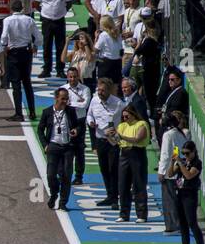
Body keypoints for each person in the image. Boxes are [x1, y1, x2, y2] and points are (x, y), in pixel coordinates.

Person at [39, 88, 79, 210]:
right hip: (53, 146)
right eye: (62, 99)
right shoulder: (47, 112)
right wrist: (45, 144)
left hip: (67, 147)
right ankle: (54, 193)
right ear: (56, 98)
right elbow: (40, 129)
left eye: (66, 99)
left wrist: (76, 130)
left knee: (66, 175)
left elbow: (78, 125)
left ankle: (63, 202)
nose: (65, 101)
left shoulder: (71, 111)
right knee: (51, 175)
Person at [88, 77, 125, 208]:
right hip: (100, 140)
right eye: (98, 90)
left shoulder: (119, 103)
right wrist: (90, 122)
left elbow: (126, 120)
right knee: (103, 168)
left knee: (113, 168)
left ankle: (115, 198)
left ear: (109, 90)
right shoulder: (94, 101)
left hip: (113, 141)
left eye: (103, 90)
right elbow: (89, 115)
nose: (100, 92)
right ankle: (109, 195)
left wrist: (118, 131)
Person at [0, 0, 40, 121]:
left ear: (11, 9)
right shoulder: (29, 20)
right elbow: (39, 36)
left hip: (14, 53)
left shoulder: (7, 20)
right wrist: (35, 46)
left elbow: (4, 36)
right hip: (26, 52)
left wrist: (4, 45)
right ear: (22, 8)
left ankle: (19, 113)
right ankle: (32, 111)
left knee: (16, 84)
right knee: (27, 82)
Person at [169, 141, 205, 244]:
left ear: (194, 151)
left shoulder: (197, 163)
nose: (185, 156)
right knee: (183, 223)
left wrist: (180, 163)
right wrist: (172, 162)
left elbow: (189, 175)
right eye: (183, 153)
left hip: (190, 195)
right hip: (180, 193)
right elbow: (170, 174)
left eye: (187, 153)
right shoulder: (183, 161)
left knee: (192, 222)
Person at [32, 0, 72, 77]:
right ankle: (47, 69)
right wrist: (43, 12)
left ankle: (60, 70)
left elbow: (69, 3)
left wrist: (62, 11)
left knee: (60, 45)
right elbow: (35, 3)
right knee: (47, 45)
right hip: (47, 21)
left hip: (59, 20)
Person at [114, 105, 151, 223]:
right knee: (123, 185)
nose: (124, 118)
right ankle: (124, 214)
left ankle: (141, 214)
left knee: (139, 184)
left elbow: (137, 139)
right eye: (123, 116)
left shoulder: (141, 124)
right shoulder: (121, 126)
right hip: (124, 154)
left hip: (137, 154)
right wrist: (110, 136)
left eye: (127, 116)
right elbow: (116, 142)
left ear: (133, 114)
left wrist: (122, 136)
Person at [158, 110, 188, 234]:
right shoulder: (180, 134)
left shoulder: (168, 134)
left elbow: (166, 154)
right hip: (179, 171)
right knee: (177, 199)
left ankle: (173, 226)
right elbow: (175, 151)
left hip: (170, 173)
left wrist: (161, 171)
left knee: (169, 200)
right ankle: (179, 224)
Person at [60, 67, 91, 184]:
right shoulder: (63, 89)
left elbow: (85, 104)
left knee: (79, 150)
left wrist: (70, 104)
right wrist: (76, 103)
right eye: (70, 77)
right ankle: (64, 175)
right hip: (66, 121)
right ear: (67, 77)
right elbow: (60, 103)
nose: (72, 79)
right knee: (65, 148)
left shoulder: (85, 89)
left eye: (74, 76)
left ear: (78, 76)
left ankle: (79, 177)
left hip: (79, 121)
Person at [158, 68, 188, 140]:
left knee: (175, 148)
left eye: (172, 79)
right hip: (168, 125)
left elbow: (174, 109)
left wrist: (165, 118)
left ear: (179, 80)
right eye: (169, 79)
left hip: (174, 126)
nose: (170, 81)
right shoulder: (173, 91)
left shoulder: (180, 93)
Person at [93, 15, 123, 84]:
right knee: (115, 85)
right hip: (117, 62)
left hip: (106, 64)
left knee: (103, 85)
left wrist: (96, 38)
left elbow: (95, 50)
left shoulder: (103, 35)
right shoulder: (118, 33)